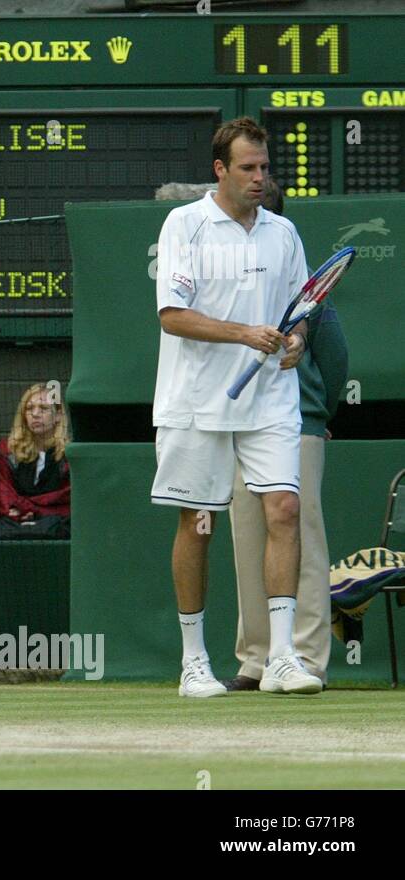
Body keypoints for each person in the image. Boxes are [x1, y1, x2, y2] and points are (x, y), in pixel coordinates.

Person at [152, 116, 322, 698]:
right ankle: (193, 660)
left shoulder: (283, 233)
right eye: (247, 168)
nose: (258, 178)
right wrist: (246, 335)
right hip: (197, 403)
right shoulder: (184, 224)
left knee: (283, 510)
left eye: (264, 168)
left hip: (270, 398)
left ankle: (280, 656)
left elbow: (298, 313)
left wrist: (294, 343)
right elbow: (173, 316)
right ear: (220, 169)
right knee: (199, 525)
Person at [225, 176, 349, 692]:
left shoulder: (307, 294)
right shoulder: (227, 288)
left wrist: (317, 415)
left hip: (297, 428)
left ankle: (307, 658)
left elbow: (334, 362)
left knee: (304, 541)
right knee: (249, 543)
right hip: (236, 426)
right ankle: (257, 660)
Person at [0, 384, 72, 525]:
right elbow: (2, 492)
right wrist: (19, 511)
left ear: (58, 415)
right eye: (29, 408)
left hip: (57, 527)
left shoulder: (70, 456)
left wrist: (28, 508)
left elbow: (64, 498)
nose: (35, 414)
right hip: (14, 525)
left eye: (43, 408)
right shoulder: (7, 451)